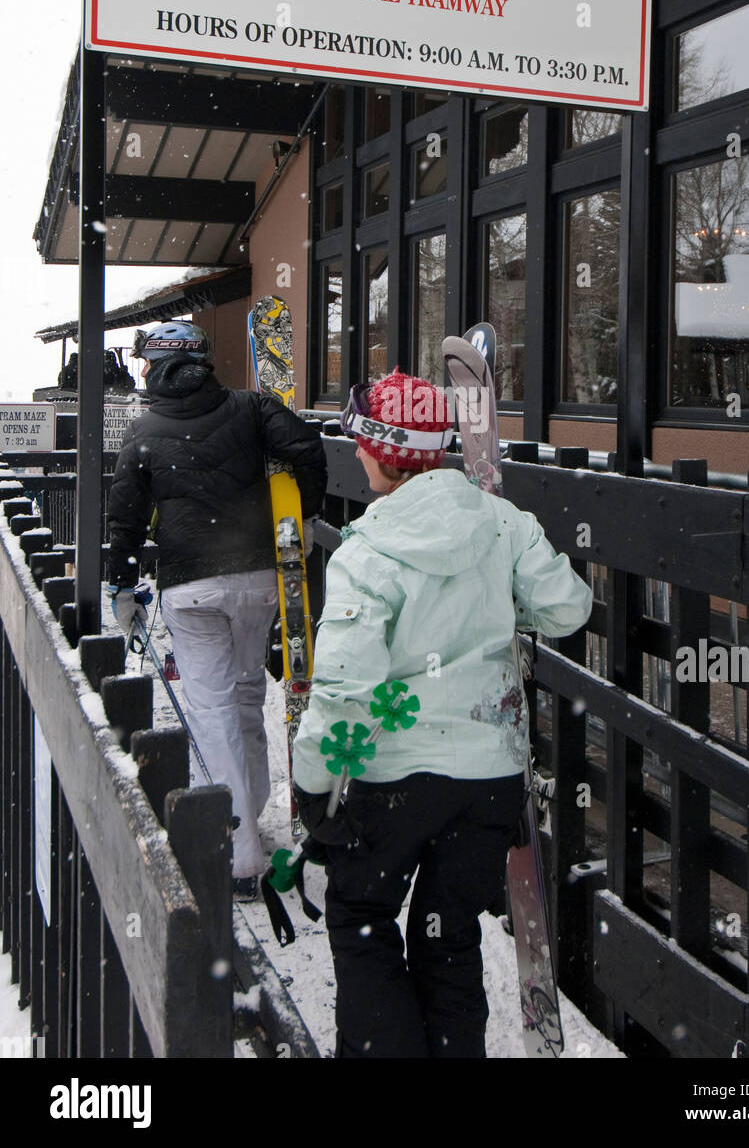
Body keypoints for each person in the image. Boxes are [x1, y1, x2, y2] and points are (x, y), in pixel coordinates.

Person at [291, 368, 592, 1058]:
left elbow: (345, 689)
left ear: (379, 448)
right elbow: (568, 609)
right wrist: (500, 603)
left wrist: (314, 785)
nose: (356, 454)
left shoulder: (366, 553)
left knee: (364, 916)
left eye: (357, 440)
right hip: (487, 779)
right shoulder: (500, 521)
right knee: (448, 933)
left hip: (391, 782)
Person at [106, 320, 327, 897]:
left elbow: (124, 519)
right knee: (249, 691)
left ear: (155, 366)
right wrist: (304, 517)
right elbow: (305, 447)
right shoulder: (251, 408)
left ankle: (239, 855)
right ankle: (252, 815)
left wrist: (122, 589)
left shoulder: (143, 430)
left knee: (212, 708)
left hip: (190, 586)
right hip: (258, 576)